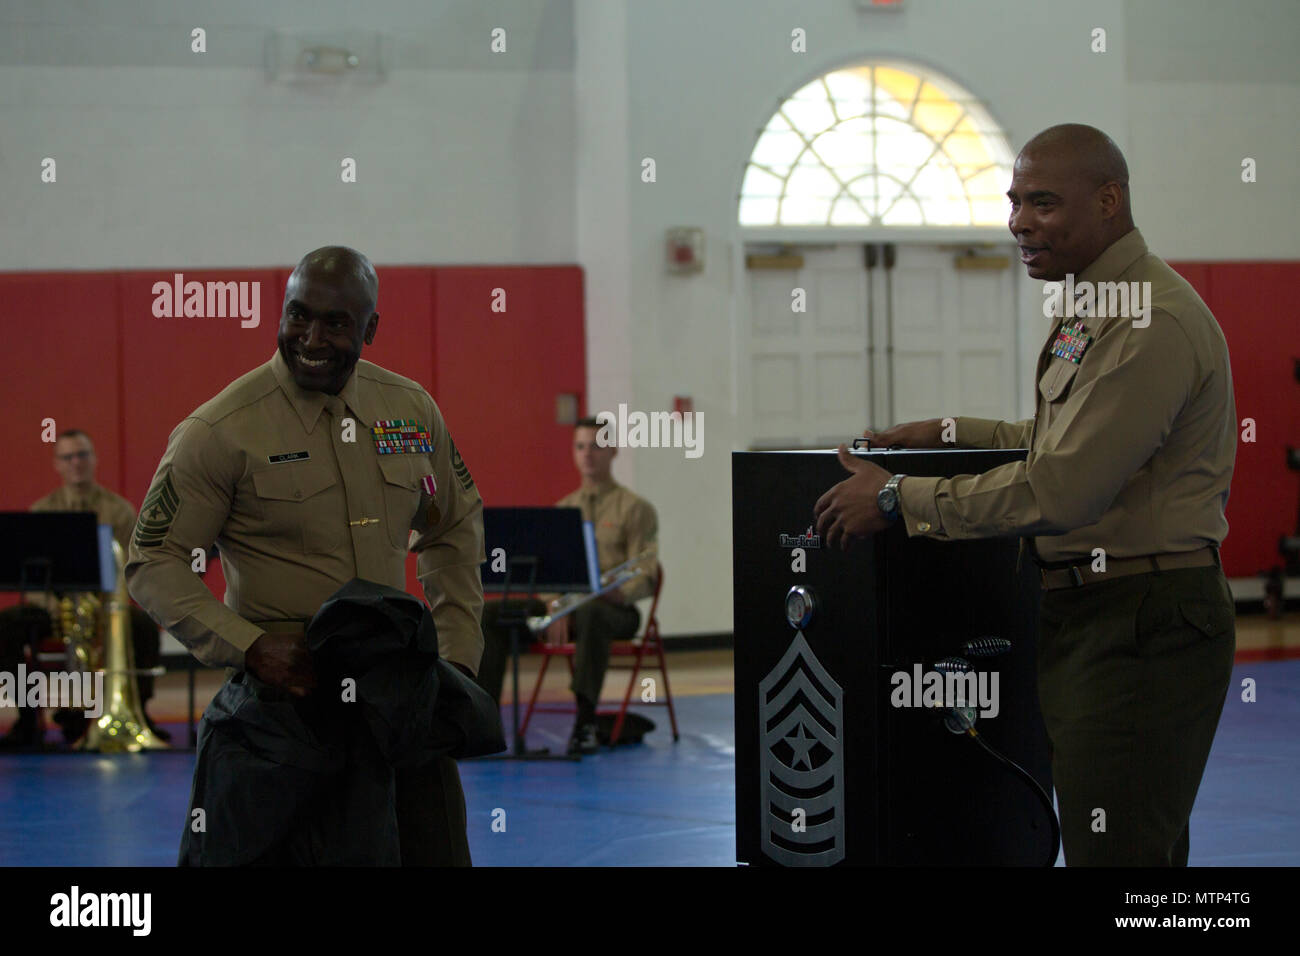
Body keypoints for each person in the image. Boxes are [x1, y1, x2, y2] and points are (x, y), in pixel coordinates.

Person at [813, 124, 1236, 867]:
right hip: (1096, 615)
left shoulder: (1148, 321)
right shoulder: (1100, 305)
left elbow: (1063, 486)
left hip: (1141, 623)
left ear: (1109, 202)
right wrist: (948, 433)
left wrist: (897, 500)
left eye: (1043, 203)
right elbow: (1062, 436)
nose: (1019, 222)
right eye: (1014, 202)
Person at [126, 246, 486, 865]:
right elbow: (153, 560)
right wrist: (249, 646)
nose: (311, 338)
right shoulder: (220, 430)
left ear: (370, 329)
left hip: (396, 709)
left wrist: (454, 662)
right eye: (298, 316)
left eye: (336, 323)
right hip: (282, 718)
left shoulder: (411, 410)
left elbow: (452, 526)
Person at [476, 418, 658, 756]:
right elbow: (548, 573)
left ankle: (585, 723)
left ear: (613, 451)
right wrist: (554, 605)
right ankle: (485, 726)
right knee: (491, 613)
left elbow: (645, 572)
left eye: (596, 446)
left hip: (613, 610)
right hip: (568, 606)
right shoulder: (563, 510)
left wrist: (621, 591)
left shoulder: (636, 509)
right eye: (580, 446)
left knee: (591, 612)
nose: (588, 454)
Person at [0, 429, 165, 748]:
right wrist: (53, 605)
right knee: (7, 626)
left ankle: (137, 713)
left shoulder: (119, 511)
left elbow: (131, 567)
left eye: (82, 455)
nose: (76, 462)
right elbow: (31, 578)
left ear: (94, 460)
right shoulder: (42, 511)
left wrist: (104, 607)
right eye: (68, 457)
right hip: (52, 608)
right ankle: (27, 719)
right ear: (57, 464)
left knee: (142, 627)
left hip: (104, 607)